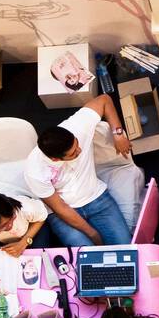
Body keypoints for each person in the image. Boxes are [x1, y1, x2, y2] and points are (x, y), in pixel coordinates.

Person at [25, 95, 133, 247]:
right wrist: (93, 234)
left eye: (77, 145)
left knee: (124, 247)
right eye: (74, 153)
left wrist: (118, 134)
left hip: (97, 199)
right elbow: (60, 208)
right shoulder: (34, 171)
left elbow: (104, 100)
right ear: (56, 159)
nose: (80, 150)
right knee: (87, 256)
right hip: (64, 213)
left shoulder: (76, 127)